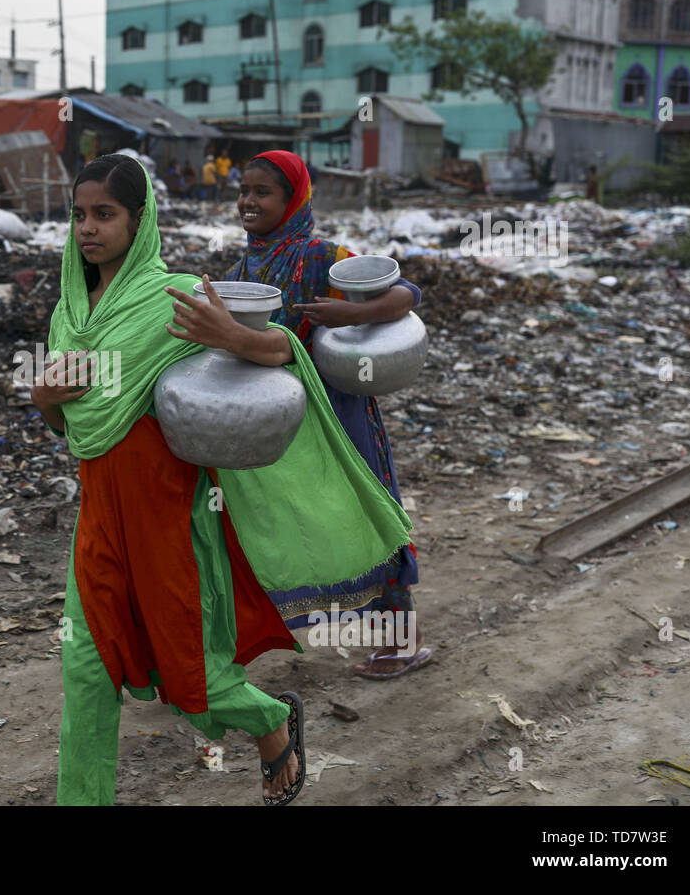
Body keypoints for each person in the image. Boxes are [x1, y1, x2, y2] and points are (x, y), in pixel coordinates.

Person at [36, 154, 414, 804]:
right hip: (100, 522)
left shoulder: (174, 297)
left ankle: (270, 721)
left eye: (105, 214)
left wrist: (231, 337)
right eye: (78, 215)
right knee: (86, 672)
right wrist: (45, 399)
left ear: (139, 220)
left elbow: (283, 354)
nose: (88, 228)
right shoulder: (71, 312)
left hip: (168, 525)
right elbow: (74, 430)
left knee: (192, 681)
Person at [226, 150, 430, 680]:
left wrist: (353, 312)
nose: (248, 201)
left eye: (262, 192)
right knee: (277, 518)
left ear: (293, 199)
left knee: (364, 511)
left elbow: (408, 293)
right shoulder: (245, 266)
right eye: (243, 190)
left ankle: (400, 640)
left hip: (339, 410)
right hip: (280, 413)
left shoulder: (325, 257)